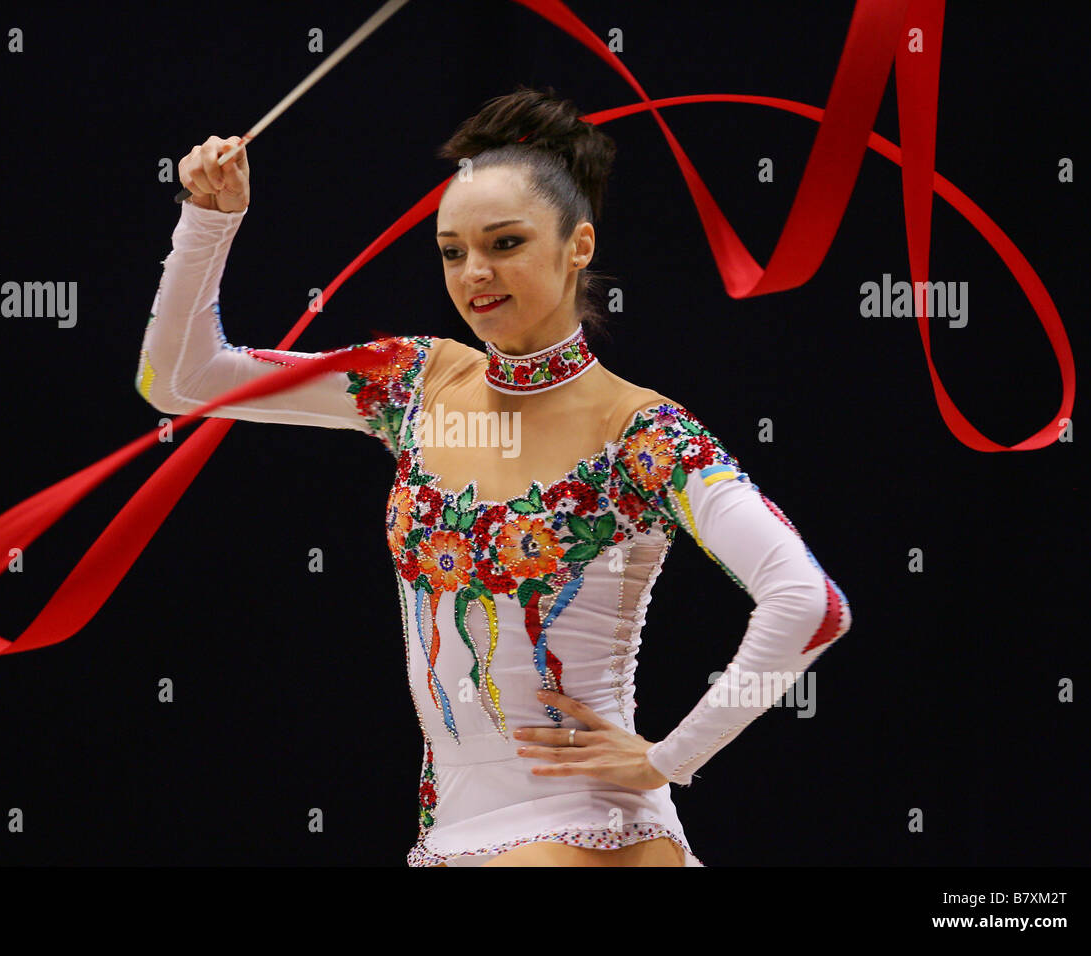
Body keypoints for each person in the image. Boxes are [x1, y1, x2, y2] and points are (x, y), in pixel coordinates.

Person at [135, 85, 852, 867]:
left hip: (587, 826)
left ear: (578, 246)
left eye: (505, 243)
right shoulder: (416, 384)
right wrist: (210, 219)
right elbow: (184, 380)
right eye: (452, 251)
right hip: (454, 832)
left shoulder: (641, 435)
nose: (475, 272)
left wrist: (668, 760)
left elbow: (810, 605)